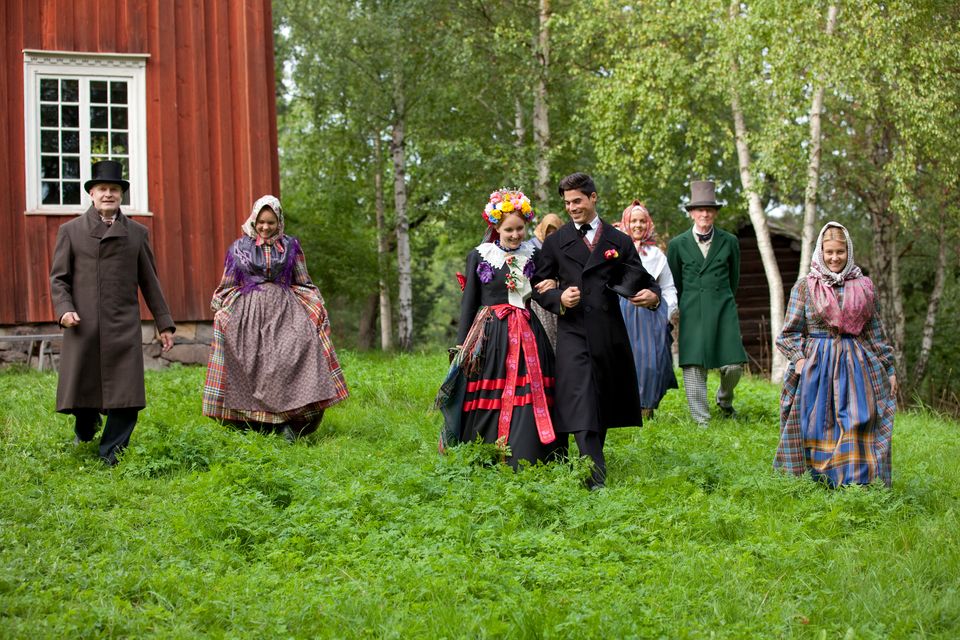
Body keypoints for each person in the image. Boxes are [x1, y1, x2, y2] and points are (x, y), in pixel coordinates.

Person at [532, 172, 661, 488]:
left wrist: (653, 297)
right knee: (582, 399)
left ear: (593, 198)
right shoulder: (556, 242)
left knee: (600, 402)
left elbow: (642, 279)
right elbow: (538, 285)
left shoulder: (619, 241)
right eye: (567, 203)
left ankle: (589, 465)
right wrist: (558, 298)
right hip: (573, 332)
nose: (572, 208)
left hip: (609, 333)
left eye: (577, 201)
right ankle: (595, 479)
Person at [50, 160, 175, 466]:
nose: (108, 194)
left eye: (114, 189)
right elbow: (59, 279)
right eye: (102, 189)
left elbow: (150, 282)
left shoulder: (137, 234)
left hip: (122, 326)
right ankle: (86, 426)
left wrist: (164, 324)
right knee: (83, 390)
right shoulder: (71, 232)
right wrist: (65, 310)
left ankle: (111, 454)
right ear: (91, 194)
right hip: (84, 325)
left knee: (126, 393)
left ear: (121, 195)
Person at [202, 195, 348, 440]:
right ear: (254, 220)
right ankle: (251, 425)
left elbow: (302, 280)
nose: (265, 227)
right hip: (248, 313)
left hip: (285, 311)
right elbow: (228, 284)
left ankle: (291, 423)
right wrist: (222, 309)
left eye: (271, 222)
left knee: (289, 357)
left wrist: (316, 305)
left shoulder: (291, 247)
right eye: (261, 222)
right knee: (251, 363)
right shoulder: (239, 248)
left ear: (279, 222)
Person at [437, 189, 561, 468]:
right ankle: (484, 452)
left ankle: (528, 454)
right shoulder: (480, 255)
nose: (515, 235)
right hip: (491, 335)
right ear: (496, 228)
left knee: (529, 391)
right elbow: (469, 302)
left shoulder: (534, 254)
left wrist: (559, 294)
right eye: (509, 230)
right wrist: (461, 344)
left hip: (528, 332)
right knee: (489, 390)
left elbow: (542, 293)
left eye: (520, 229)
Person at [774, 222, 897, 486]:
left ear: (848, 251)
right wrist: (799, 359)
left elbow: (875, 332)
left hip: (856, 365)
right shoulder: (805, 287)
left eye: (840, 252)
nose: (834, 258)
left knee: (857, 420)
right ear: (820, 252)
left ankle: (854, 483)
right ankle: (816, 481)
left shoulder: (864, 286)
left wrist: (889, 368)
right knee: (817, 423)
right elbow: (788, 333)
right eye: (828, 252)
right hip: (816, 366)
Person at [666, 180, 747, 427]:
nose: (704, 214)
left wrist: (721, 299)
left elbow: (734, 278)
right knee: (693, 365)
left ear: (715, 213)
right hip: (692, 309)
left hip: (723, 307)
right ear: (691, 213)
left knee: (733, 364)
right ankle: (702, 421)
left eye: (709, 210)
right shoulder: (677, 244)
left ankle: (724, 399)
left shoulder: (729, 241)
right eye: (700, 209)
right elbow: (674, 281)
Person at [618, 200, 678, 418]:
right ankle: (625, 411)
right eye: (633, 221)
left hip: (649, 315)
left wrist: (664, 314)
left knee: (650, 364)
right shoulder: (615, 251)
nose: (638, 225)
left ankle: (647, 409)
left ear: (648, 223)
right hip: (621, 313)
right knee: (624, 362)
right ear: (626, 223)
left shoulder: (656, 255)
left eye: (642, 221)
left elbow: (668, 288)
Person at [527, 213, 563, 350]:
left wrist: (555, 282)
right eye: (548, 232)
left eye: (554, 232)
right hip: (539, 300)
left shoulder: (564, 246)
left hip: (559, 297)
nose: (551, 235)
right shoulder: (531, 249)